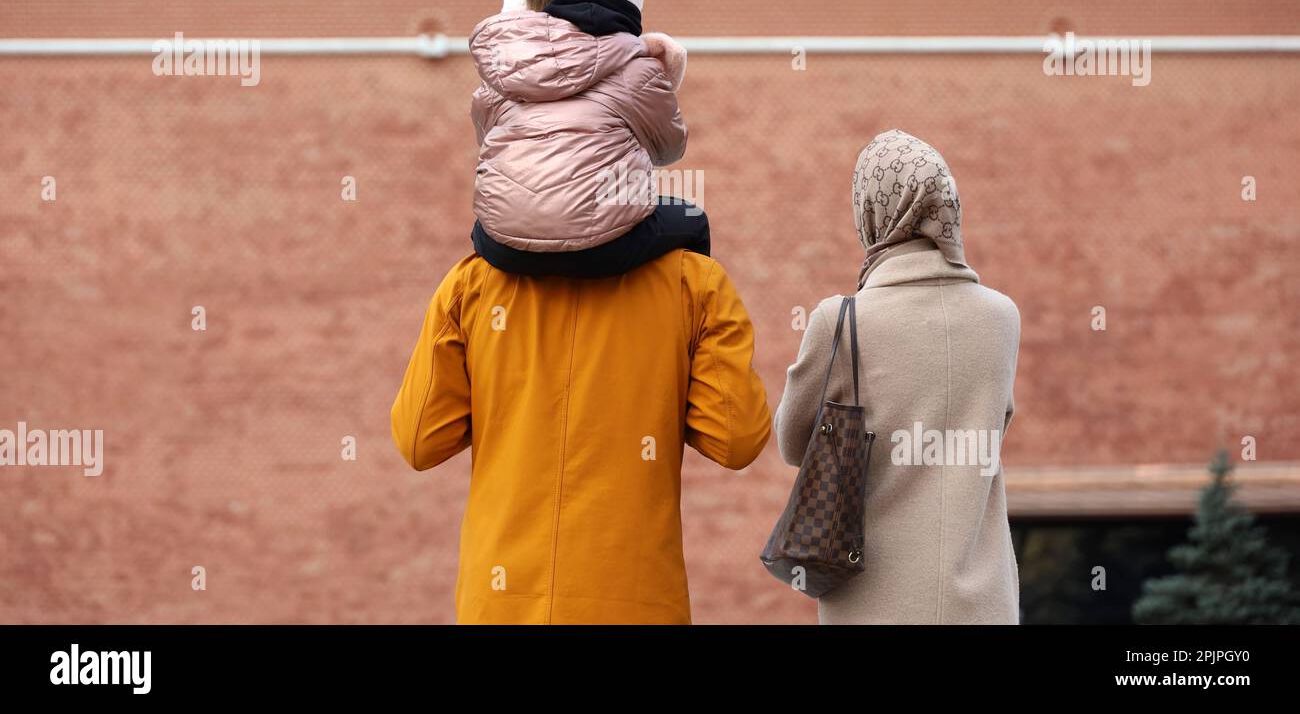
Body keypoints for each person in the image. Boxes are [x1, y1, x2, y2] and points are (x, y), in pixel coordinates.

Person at [390, 249, 771, 623]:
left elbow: (419, 441)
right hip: (635, 601)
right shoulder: (692, 281)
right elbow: (737, 440)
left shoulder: (473, 282)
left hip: (501, 602)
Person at [774, 130, 1021, 624]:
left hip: (875, 604)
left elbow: (792, 443)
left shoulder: (840, 321)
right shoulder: (1002, 317)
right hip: (984, 602)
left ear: (872, 212)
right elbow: (995, 423)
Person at [467, 0, 706, 279]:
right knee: (694, 222)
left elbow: (487, 141)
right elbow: (668, 150)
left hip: (506, 246)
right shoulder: (636, 64)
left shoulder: (498, 73)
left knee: (482, 228)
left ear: (520, 3)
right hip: (605, 247)